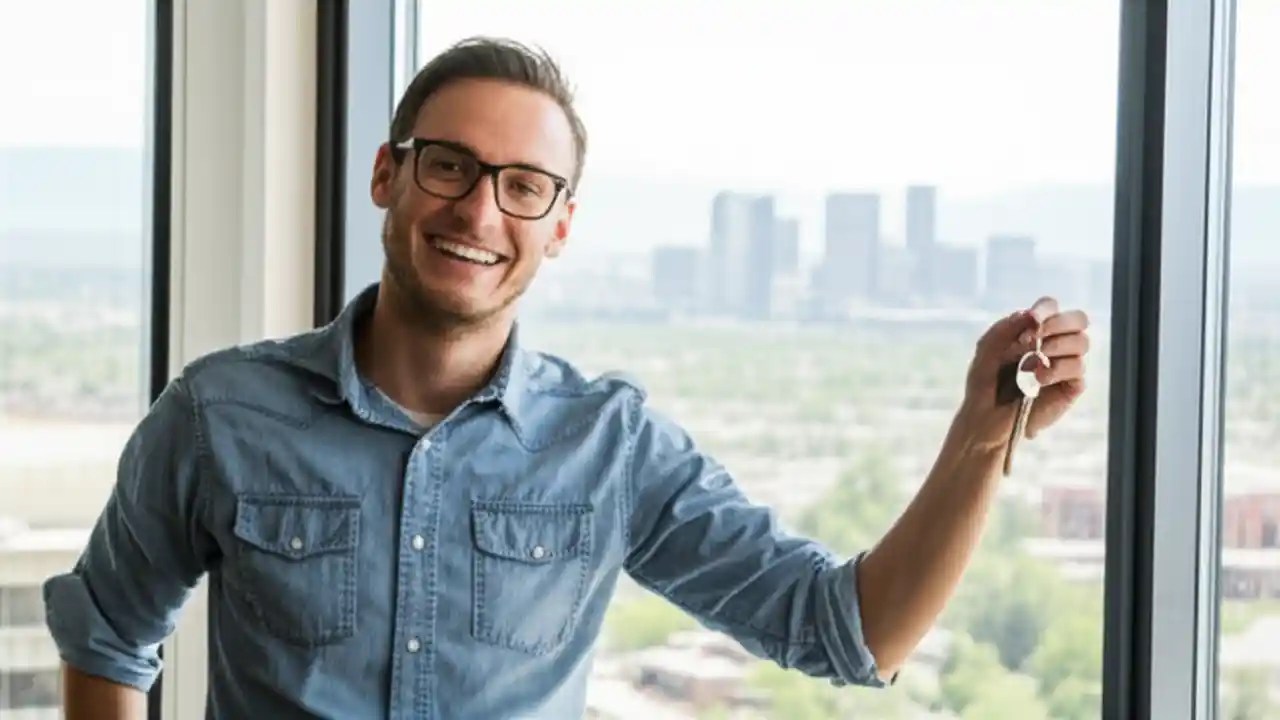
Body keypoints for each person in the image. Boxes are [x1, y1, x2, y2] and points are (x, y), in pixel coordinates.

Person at [43, 36, 1091, 720]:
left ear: (560, 227)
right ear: (388, 174)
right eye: (448, 165)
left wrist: (981, 430)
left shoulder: (611, 447)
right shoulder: (221, 413)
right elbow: (108, 636)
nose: (478, 211)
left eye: (524, 186)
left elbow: (850, 632)